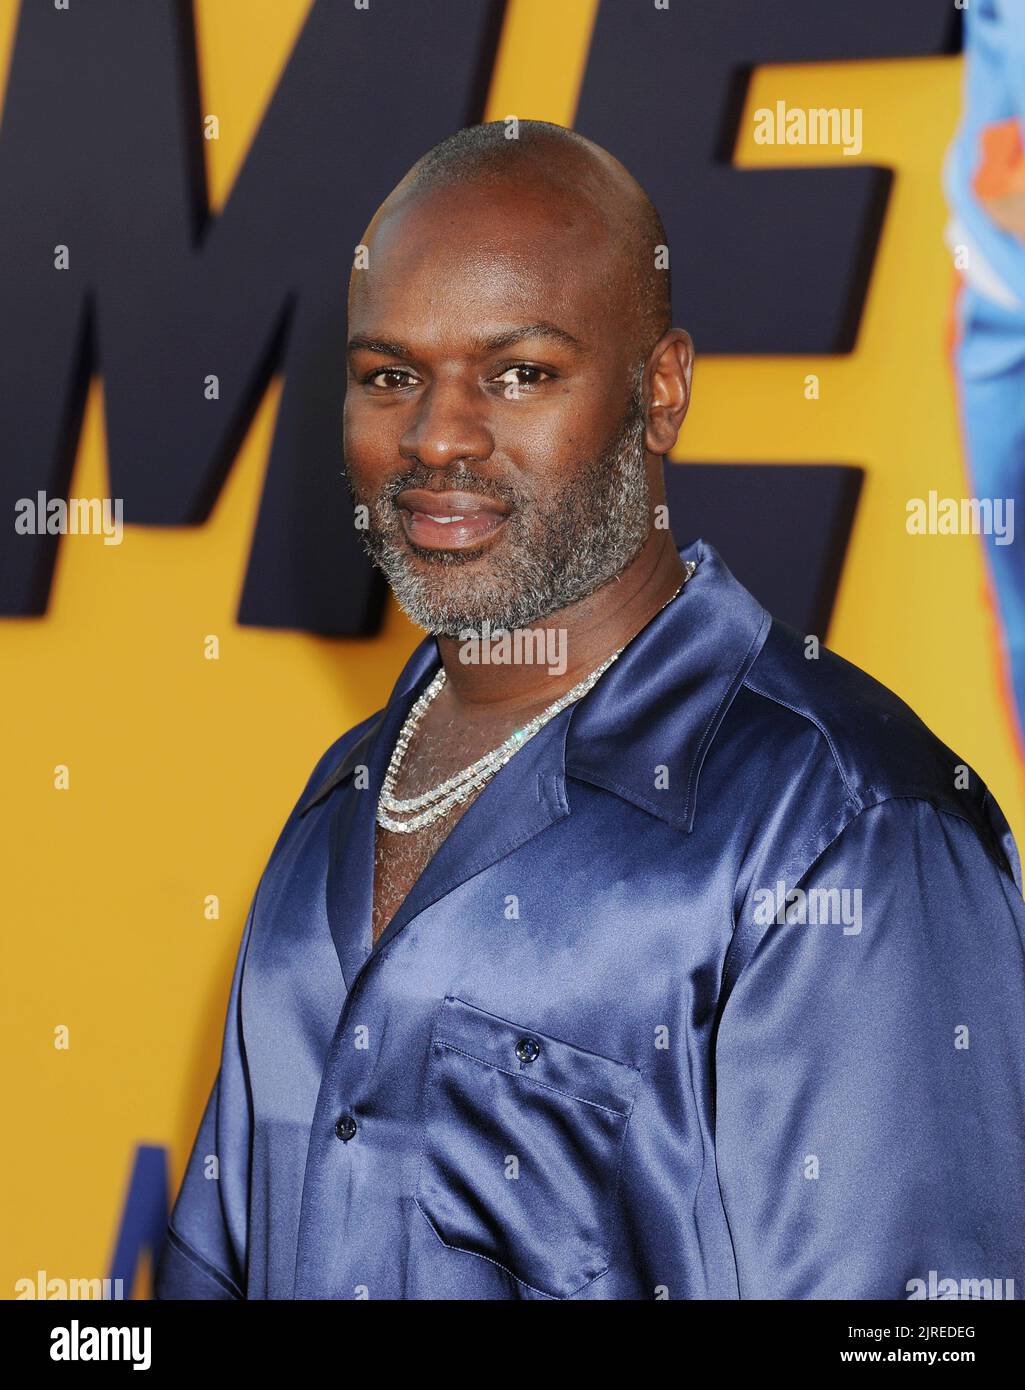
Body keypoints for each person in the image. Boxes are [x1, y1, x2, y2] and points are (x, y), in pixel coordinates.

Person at [156, 121, 1025, 1301]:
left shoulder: (847, 822)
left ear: (657, 391)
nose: (437, 437)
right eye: (389, 376)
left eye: (518, 373)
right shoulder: (342, 799)